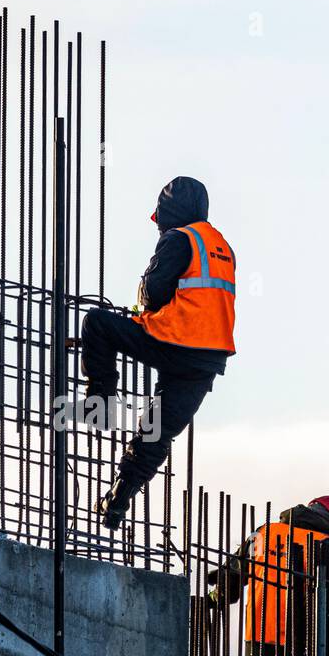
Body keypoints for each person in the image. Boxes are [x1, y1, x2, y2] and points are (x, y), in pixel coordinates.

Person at [78, 176, 235, 530]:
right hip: (205, 360)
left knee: (98, 324)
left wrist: (145, 312)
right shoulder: (221, 246)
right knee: (155, 432)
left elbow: (153, 292)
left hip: (172, 342)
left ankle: (99, 403)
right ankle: (117, 500)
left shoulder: (180, 238)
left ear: (168, 213)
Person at [207, 495, 329, 656]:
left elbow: (232, 576)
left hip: (258, 636)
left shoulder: (265, 532)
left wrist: (215, 597)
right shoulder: (327, 545)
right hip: (302, 643)